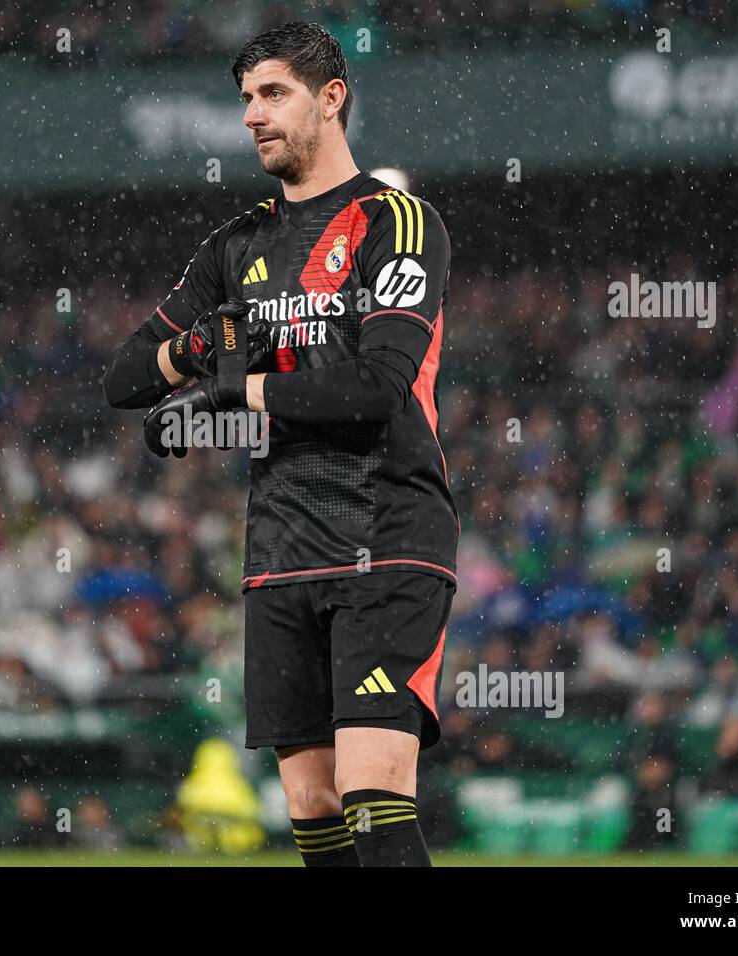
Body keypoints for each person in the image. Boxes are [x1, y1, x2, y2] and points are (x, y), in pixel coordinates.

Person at [104, 21, 456, 867]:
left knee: (373, 792)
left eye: (274, 94)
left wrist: (239, 388)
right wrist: (192, 356)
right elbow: (123, 377)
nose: (253, 116)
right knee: (312, 804)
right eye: (245, 100)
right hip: (281, 546)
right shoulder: (235, 247)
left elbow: (377, 387)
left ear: (331, 98)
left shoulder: (395, 221)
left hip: (387, 534)